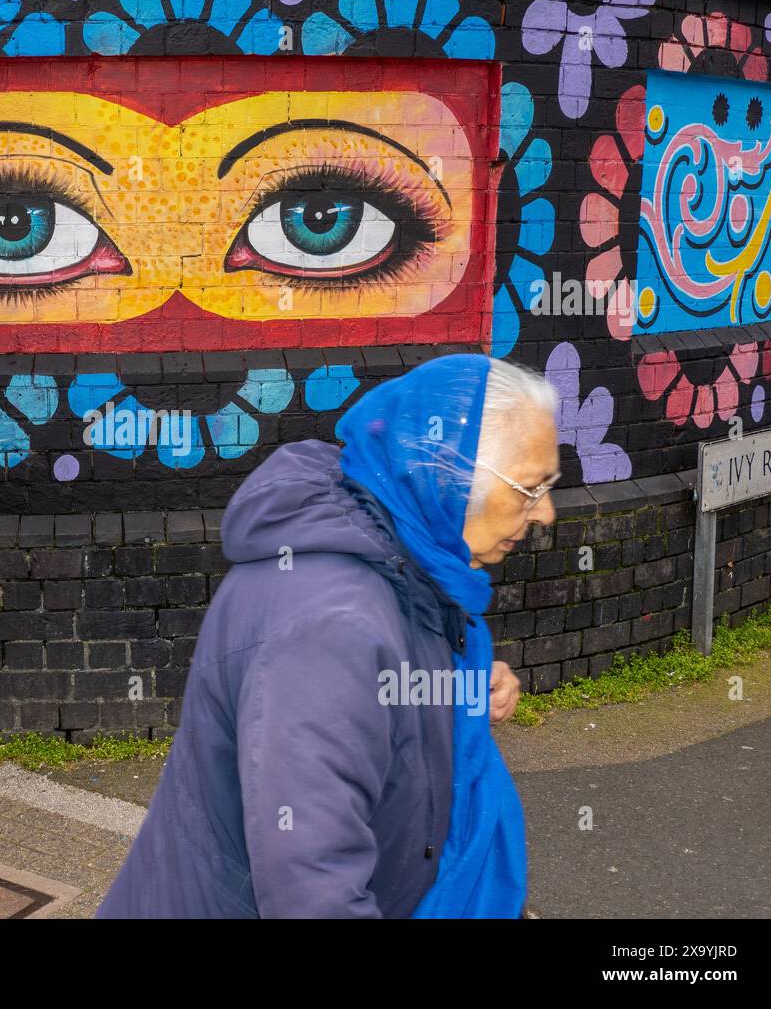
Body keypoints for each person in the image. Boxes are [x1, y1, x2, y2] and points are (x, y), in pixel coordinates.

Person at [97, 353, 561, 917]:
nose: (547, 514)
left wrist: (455, 688)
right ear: (448, 475)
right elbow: (313, 885)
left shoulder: (390, 544)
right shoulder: (331, 628)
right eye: (531, 489)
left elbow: (374, 693)